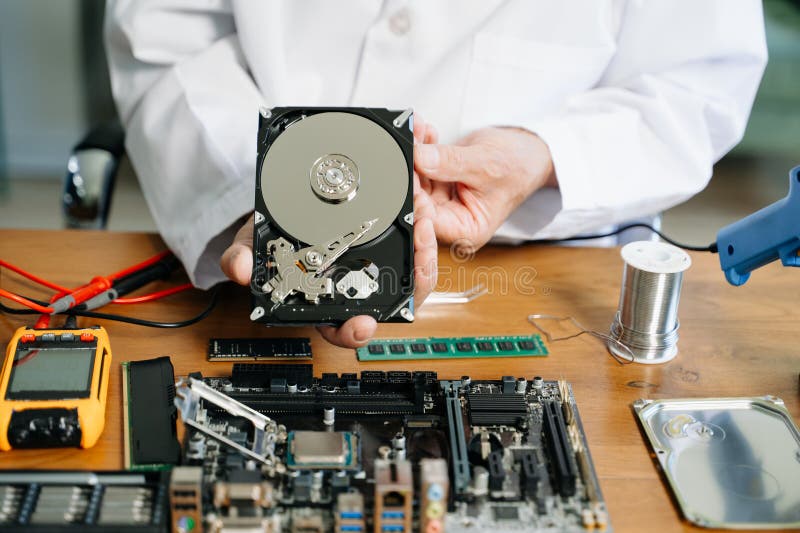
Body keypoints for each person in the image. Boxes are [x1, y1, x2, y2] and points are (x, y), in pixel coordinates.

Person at [105, 0, 767, 347]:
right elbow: (164, 32)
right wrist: (254, 195)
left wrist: (543, 154)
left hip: (555, 269)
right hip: (252, 235)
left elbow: (701, 82)